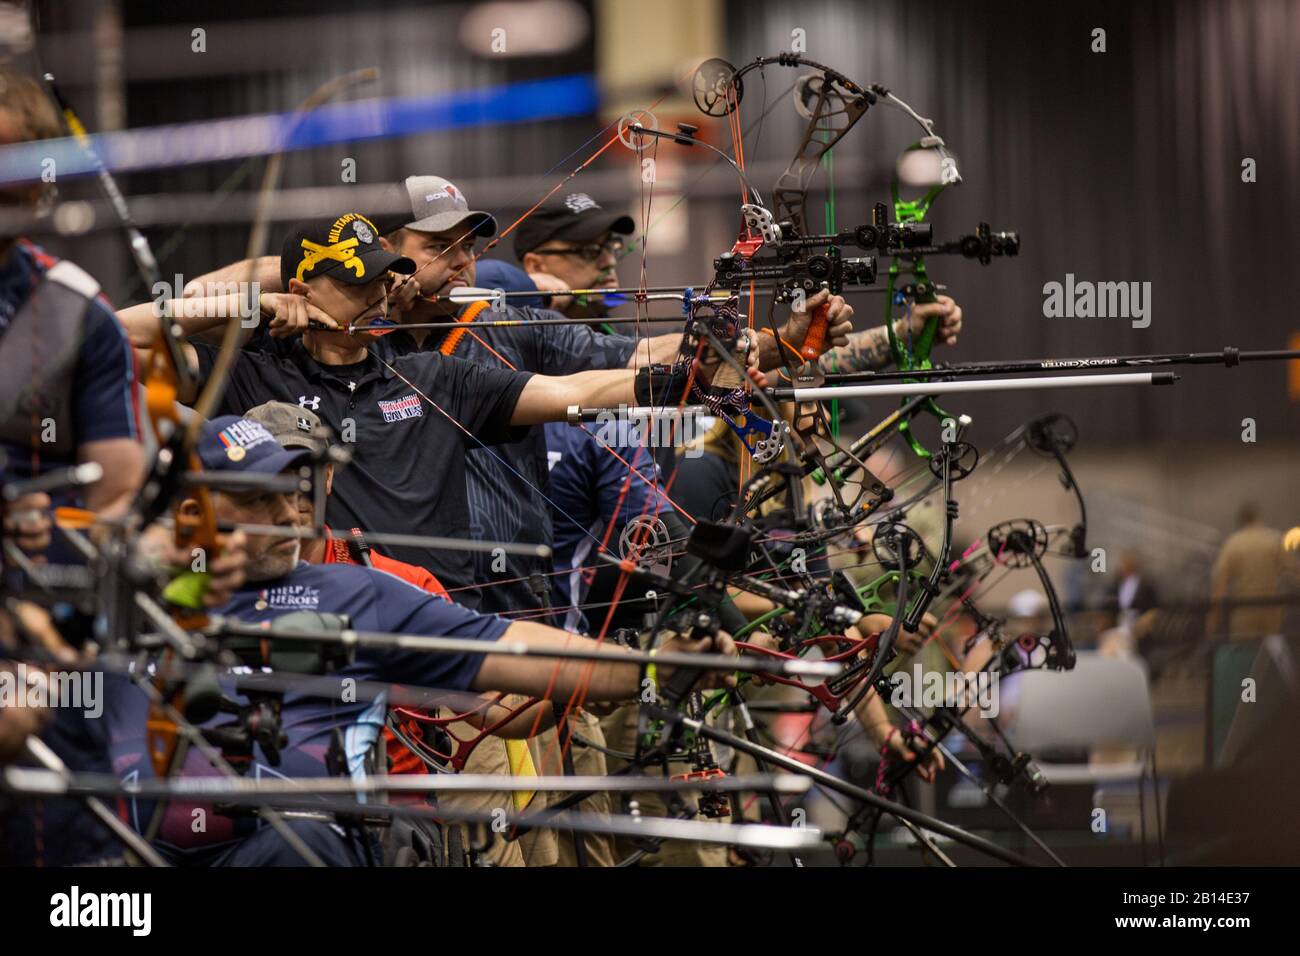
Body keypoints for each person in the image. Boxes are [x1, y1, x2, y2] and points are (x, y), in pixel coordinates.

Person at [111, 414, 735, 865]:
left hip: (304, 846)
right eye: (257, 499)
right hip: (123, 852)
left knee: (300, 843)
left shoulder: (361, 592)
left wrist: (652, 667)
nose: (286, 515)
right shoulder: (118, 591)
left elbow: (517, 651)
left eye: (293, 493)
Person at [117, 212, 650, 608]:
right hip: (329, 626)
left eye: (381, 278)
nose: (375, 294)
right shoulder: (252, 374)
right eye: (356, 283)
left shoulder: (431, 376)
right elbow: (111, 337)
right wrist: (249, 304)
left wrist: (675, 381)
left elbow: (574, 392)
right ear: (301, 289)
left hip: (442, 635)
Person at [242, 399, 540, 866]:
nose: (290, 501)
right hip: (249, 823)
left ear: (329, 479)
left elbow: (503, 710)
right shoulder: (207, 591)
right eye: (271, 479)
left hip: (384, 828)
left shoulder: (398, 584)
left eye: (304, 477)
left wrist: (579, 676)